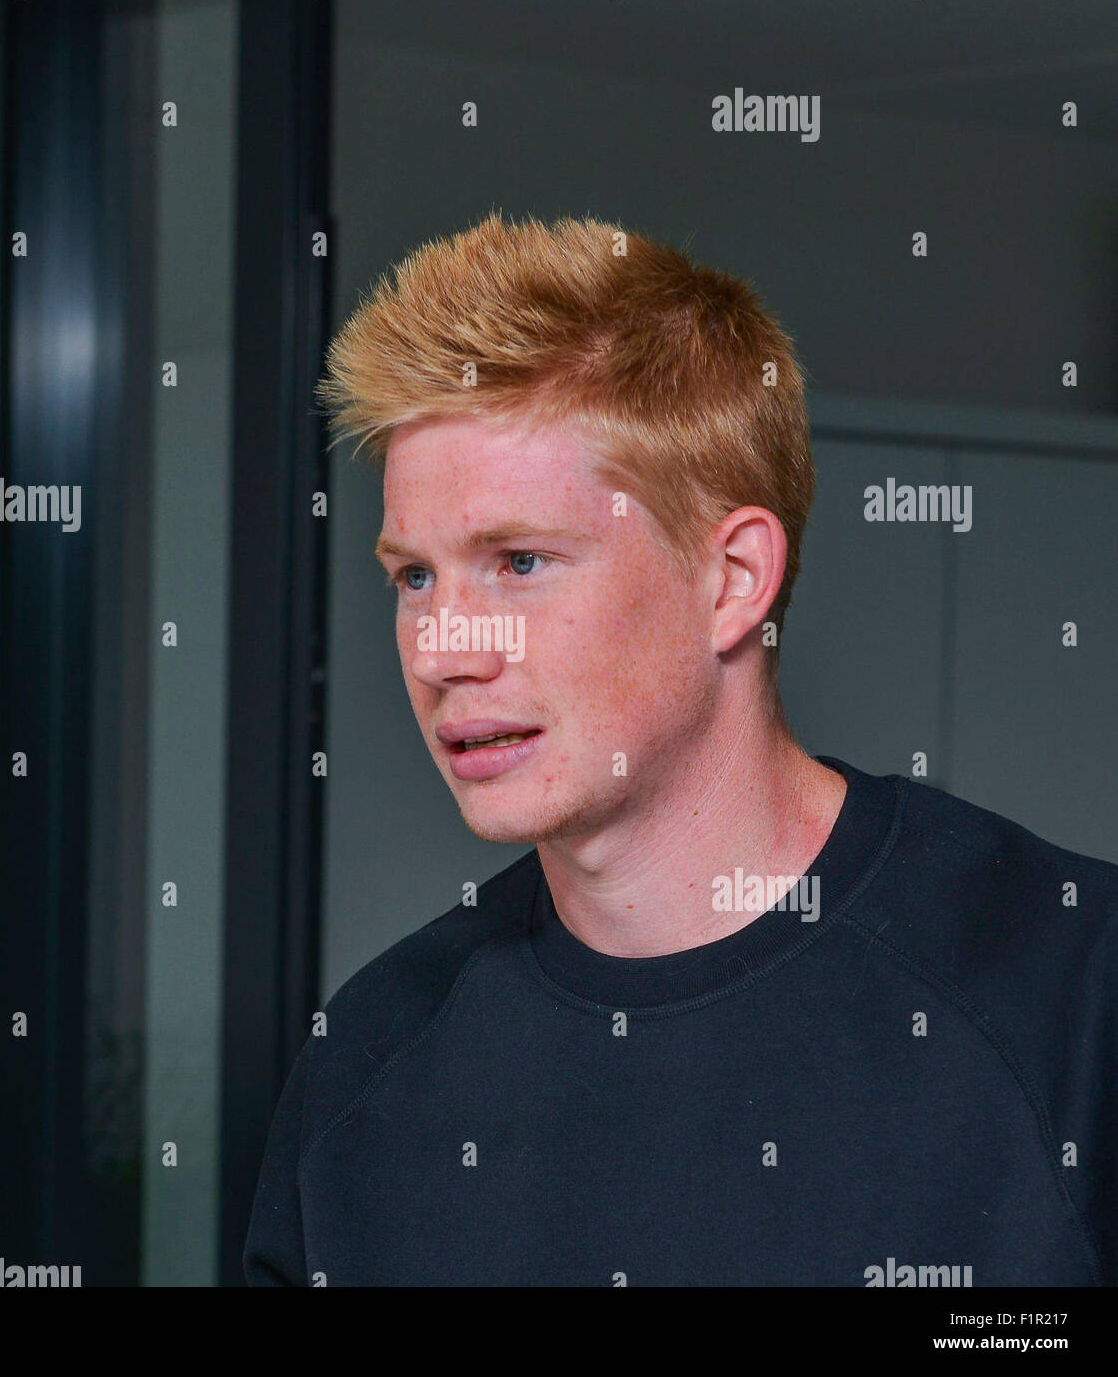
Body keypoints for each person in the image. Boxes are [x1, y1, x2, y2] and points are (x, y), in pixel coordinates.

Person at [244, 211, 1116, 1286]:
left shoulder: (1073, 997)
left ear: (731, 581)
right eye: (413, 576)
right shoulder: (368, 1067)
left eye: (517, 561)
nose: (439, 649)